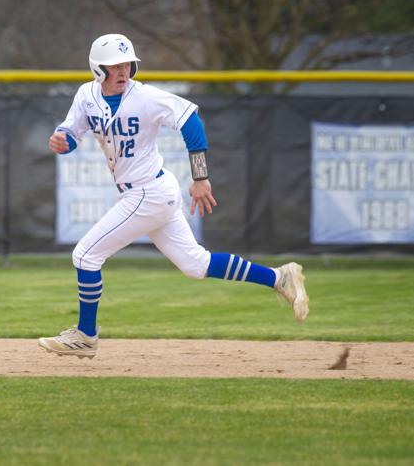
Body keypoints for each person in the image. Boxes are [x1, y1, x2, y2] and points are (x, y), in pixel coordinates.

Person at [38, 34, 309, 359]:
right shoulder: (86, 95)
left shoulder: (145, 97)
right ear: (98, 70)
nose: (123, 71)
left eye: (127, 64)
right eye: (115, 66)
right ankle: (279, 277)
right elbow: (71, 132)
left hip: (148, 193)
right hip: (149, 194)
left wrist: (200, 177)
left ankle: (85, 334)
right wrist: (62, 141)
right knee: (196, 264)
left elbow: (190, 121)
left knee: (85, 256)